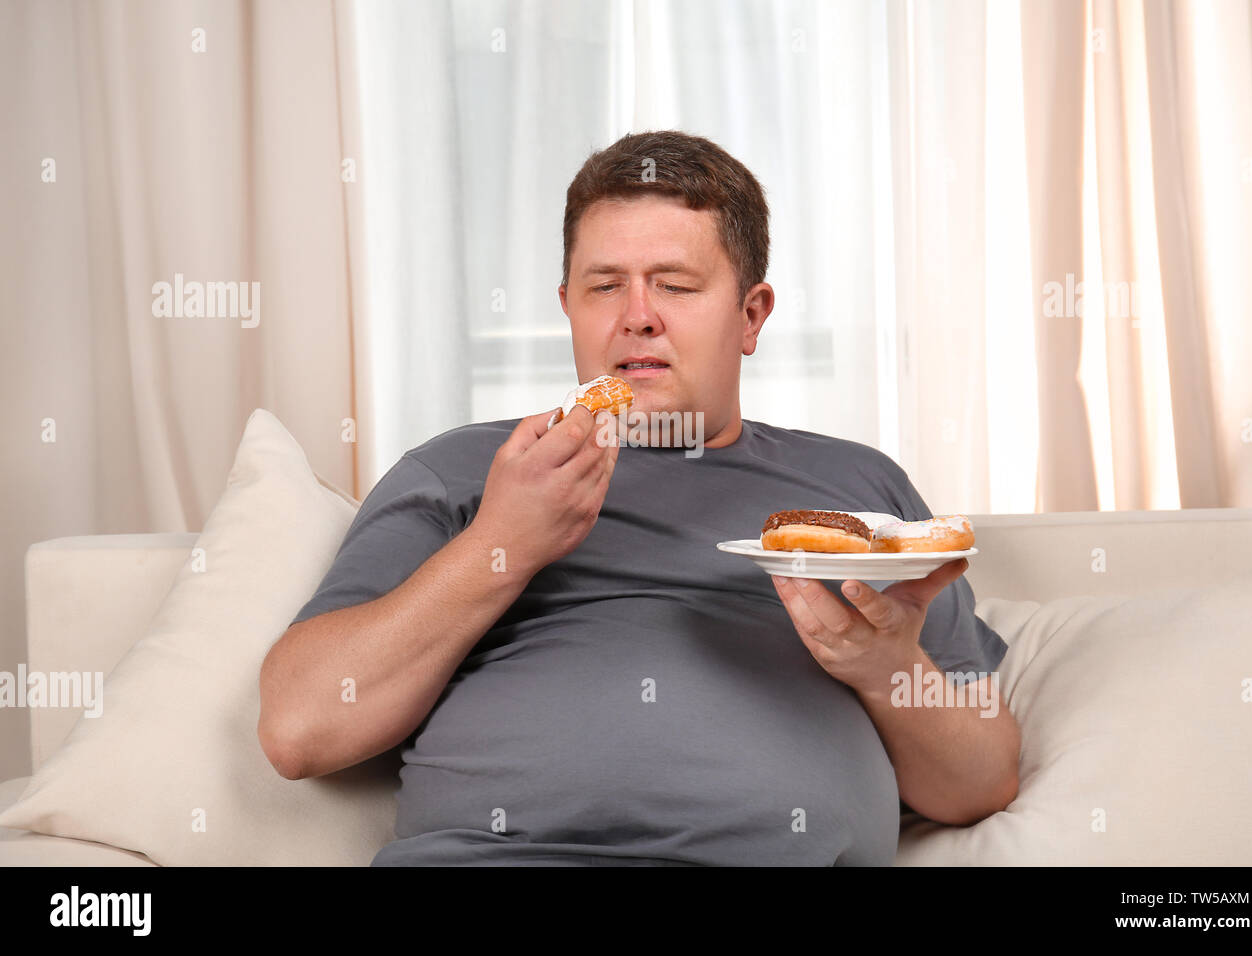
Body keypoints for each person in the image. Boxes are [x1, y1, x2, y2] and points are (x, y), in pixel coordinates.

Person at [258, 130, 1020, 866]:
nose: (637, 315)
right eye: (604, 286)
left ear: (751, 315)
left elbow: (980, 782)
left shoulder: (856, 491)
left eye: (676, 285)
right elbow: (299, 728)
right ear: (568, 306)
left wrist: (885, 666)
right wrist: (505, 543)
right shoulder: (461, 470)